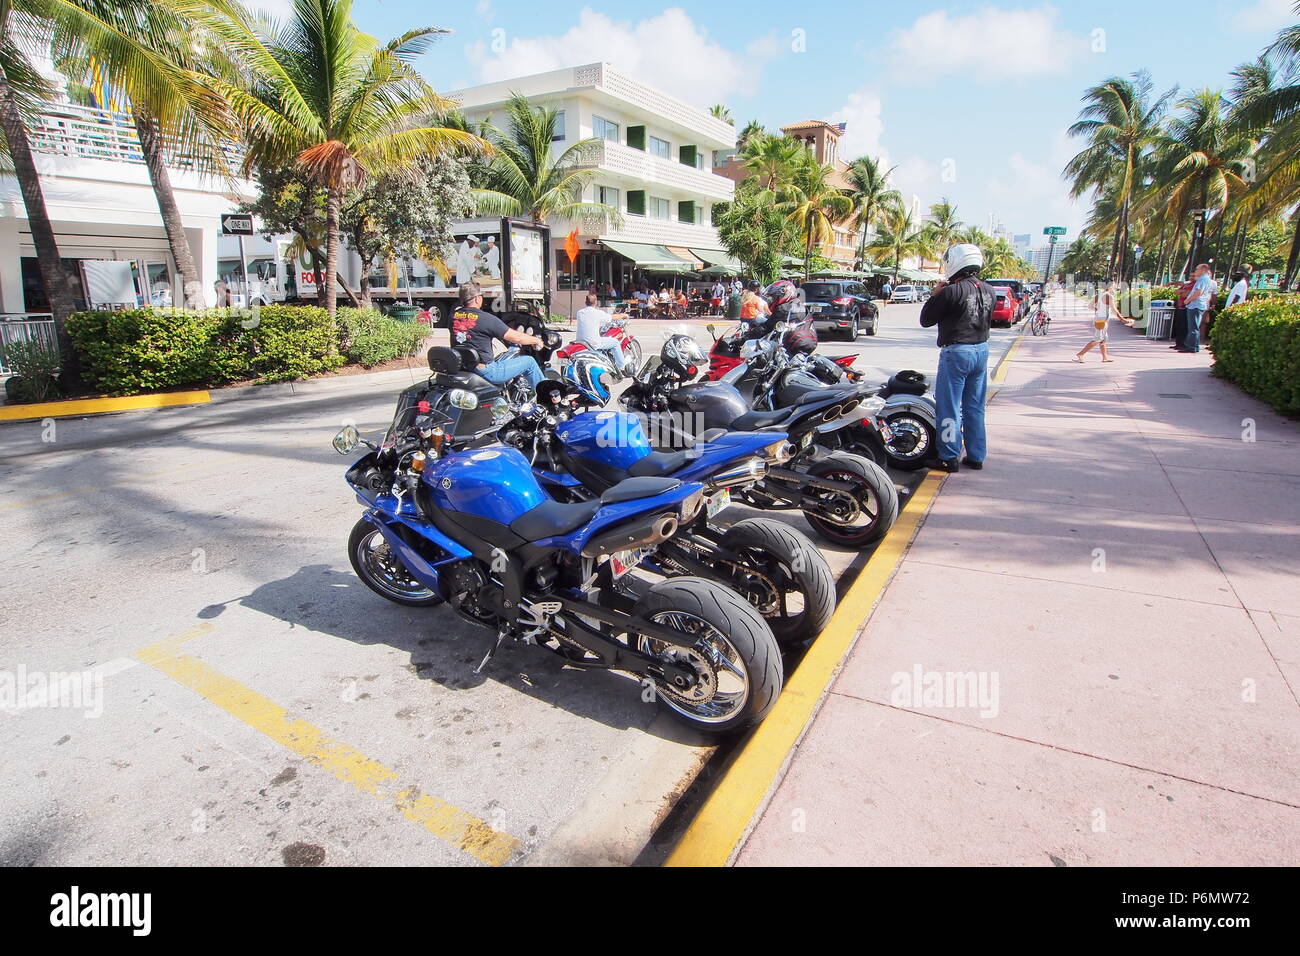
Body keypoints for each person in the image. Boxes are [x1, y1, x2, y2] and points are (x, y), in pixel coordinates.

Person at [919, 243, 995, 473]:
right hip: (981, 350)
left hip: (957, 352)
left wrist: (935, 296)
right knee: (974, 407)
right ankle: (976, 455)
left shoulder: (952, 291)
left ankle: (948, 457)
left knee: (949, 407)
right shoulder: (989, 289)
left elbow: (927, 319)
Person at [451, 281, 545, 388]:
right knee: (529, 362)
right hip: (485, 370)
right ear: (477, 299)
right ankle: (545, 398)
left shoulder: (452, 316)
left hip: (461, 366)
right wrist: (536, 341)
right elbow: (517, 337)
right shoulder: (486, 319)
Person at [1073, 280, 1132, 363]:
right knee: (1098, 338)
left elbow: (1090, 306)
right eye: (1114, 285)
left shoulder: (1099, 295)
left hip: (1098, 318)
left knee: (1104, 338)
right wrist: (1123, 320)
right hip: (1102, 320)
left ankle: (1105, 358)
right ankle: (1080, 354)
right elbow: (1114, 310)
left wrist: (1098, 310)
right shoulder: (1109, 296)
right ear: (1110, 286)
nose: (1115, 287)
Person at [574, 292, 629, 374]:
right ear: (596, 302)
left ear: (585, 302)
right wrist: (623, 315)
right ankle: (622, 366)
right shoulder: (597, 313)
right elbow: (612, 317)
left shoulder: (580, 312)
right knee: (615, 343)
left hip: (581, 341)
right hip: (593, 343)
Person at [1182, 263, 1214, 353]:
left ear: (1203, 270)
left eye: (1197, 269)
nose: (1195, 271)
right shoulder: (1205, 280)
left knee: (1193, 327)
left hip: (1196, 305)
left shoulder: (1202, 280)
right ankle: (1194, 346)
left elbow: (1198, 292)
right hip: (1198, 305)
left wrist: (1188, 300)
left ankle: (1191, 347)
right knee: (1195, 326)